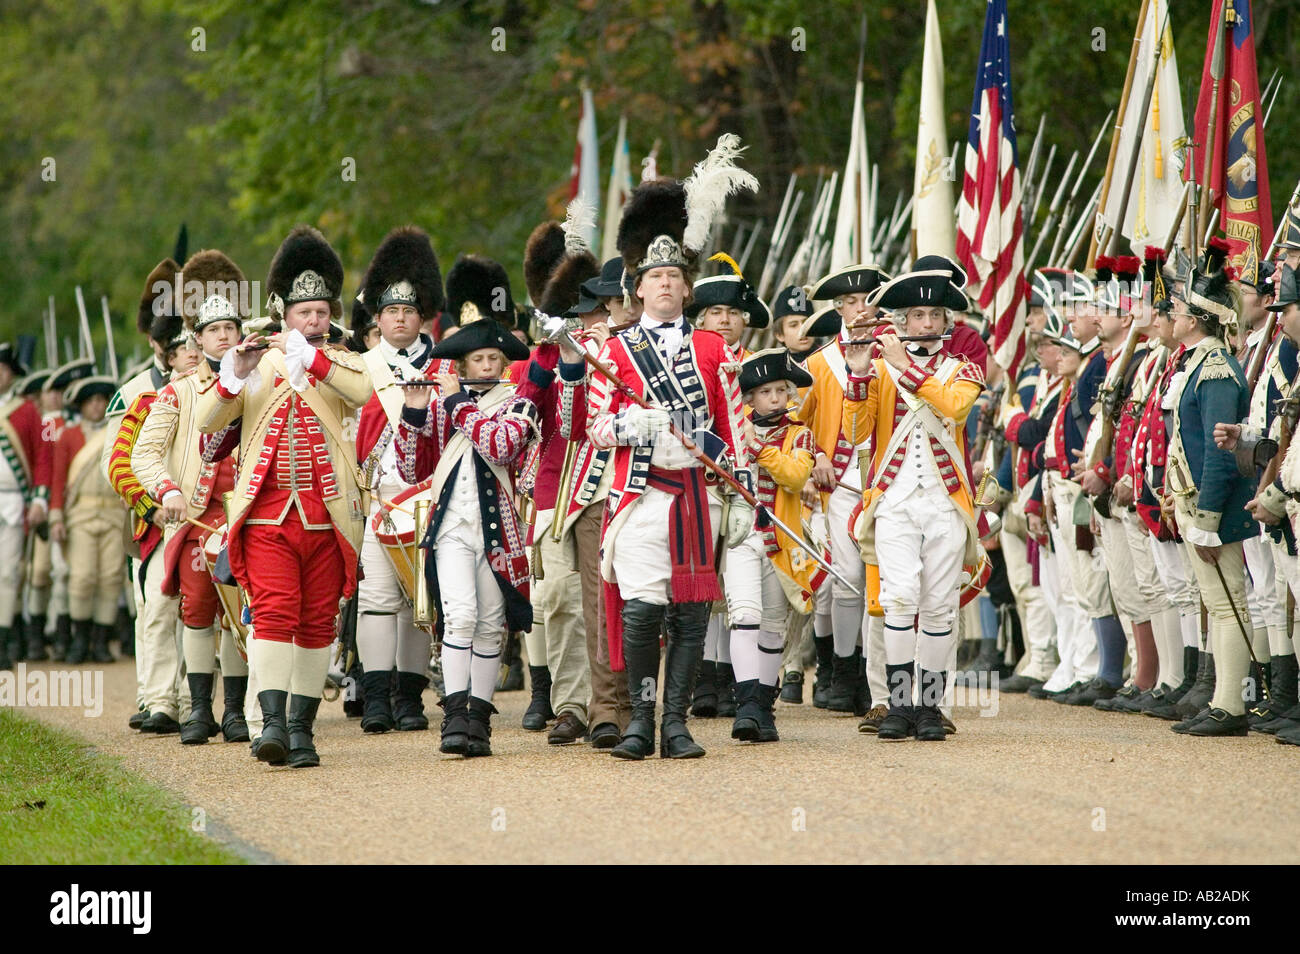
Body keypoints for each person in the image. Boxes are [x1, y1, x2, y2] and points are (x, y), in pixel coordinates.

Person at [589, 165, 755, 761]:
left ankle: (676, 724)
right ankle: (639, 719)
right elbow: (596, 428)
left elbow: (735, 432)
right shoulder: (614, 352)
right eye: (654, 276)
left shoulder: (715, 349)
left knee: (689, 616)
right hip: (639, 495)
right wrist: (631, 425)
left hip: (697, 496)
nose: (663, 285)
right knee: (641, 612)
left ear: (688, 289)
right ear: (638, 289)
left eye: (673, 277)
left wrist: (742, 498)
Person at [196, 225, 373, 768]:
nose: (315, 321)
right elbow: (208, 425)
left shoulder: (341, 360)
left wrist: (312, 356)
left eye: (322, 312)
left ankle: (301, 729)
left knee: (318, 619)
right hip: (268, 512)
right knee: (272, 612)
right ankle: (271, 723)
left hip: (327, 514)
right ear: (283, 314)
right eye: (304, 314)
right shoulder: (257, 361)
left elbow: (364, 392)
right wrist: (234, 377)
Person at [394, 279, 538, 759]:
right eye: (478, 361)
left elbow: (499, 445)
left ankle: (480, 719)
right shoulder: (439, 404)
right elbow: (413, 467)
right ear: (462, 365)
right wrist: (415, 412)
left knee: (491, 625)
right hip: (452, 525)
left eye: (494, 360)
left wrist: (456, 403)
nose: (488, 367)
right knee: (459, 616)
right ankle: (455, 716)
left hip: (499, 530)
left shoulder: (519, 405)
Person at [842, 264, 984, 741]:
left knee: (940, 606)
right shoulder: (879, 370)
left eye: (934, 315)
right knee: (899, 601)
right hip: (895, 500)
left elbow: (955, 406)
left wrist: (905, 367)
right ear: (901, 321)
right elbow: (856, 433)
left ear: (946, 321)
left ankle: (930, 707)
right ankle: (899, 704)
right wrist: (860, 377)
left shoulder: (963, 368)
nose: (926, 324)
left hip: (945, 502)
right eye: (917, 315)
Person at [131, 249, 249, 745]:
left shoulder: (263, 384)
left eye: (231, 328)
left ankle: (239, 713)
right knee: (197, 612)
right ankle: (199, 709)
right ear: (196, 340)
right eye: (214, 330)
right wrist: (169, 490)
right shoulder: (176, 392)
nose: (224, 336)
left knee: (240, 614)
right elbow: (143, 454)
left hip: (246, 518)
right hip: (196, 520)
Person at [352, 226, 446, 733]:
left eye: (410, 311)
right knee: (378, 601)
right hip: (379, 501)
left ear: (422, 316)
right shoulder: (359, 367)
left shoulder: (443, 365)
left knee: (420, 602)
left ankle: (410, 699)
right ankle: (375, 699)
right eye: (392, 312)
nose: (402, 318)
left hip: (430, 499)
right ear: (379, 319)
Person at [1164, 240, 1257, 737]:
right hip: (1199, 502)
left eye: (1179, 309)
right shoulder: (1200, 362)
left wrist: (1207, 519)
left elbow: (1219, 454)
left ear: (1198, 320)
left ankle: (1231, 706)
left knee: (1228, 604)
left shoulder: (1216, 368)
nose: (1173, 315)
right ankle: (1223, 701)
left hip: (1211, 505)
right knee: (1219, 604)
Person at [797, 263, 888, 715]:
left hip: (888, 482)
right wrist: (815, 456)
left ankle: (879, 677)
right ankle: (846, 672)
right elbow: (796, 421)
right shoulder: (818, 363)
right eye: (850, 303)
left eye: (866, 299)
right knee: (847, 580)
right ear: (838, 309)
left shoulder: (896, 353)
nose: (859, 310)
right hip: (841, 484)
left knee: (886, 582)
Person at [685, 256, 771, 717]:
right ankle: (704, 682)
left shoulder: (759, 368)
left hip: (747, 487)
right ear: (701, 319)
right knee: (701, 589)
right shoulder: (686, 364)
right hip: (695, 488)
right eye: (715, 313)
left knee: (741, 597)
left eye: (733, 314)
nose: (724, 320)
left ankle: (746, 696)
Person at [105, 299, 194, 733]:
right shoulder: (141, 398)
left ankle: (205, 702)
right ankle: (160, 700)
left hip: (210, 518)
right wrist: (150, 508)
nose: (194, 354)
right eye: (185, 348)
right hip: (157, 521)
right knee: (157, 606)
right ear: (167, 354)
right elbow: (118, 463)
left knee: (206, 615)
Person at [726, 348, 819, 742]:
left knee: (772, 629)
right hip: (740, 537)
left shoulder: (800, 434)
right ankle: (746, 704)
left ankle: (764, 708)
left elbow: (796, 476)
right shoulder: (730, 430)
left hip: (781, 543)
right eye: (766, 392)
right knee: (744, 615)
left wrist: (760, 450)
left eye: (782, 390)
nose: (776, 398)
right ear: (749, 399)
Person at [50, 373, 125, 665]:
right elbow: (58, 479)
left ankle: (101, 641)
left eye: (101, 401)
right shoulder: (68, 435)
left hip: (112, 513)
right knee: (81, 578)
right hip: (80, 513)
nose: (96, 406)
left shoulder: (117, 433)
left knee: (110, 577)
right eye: (90, 401)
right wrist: (56, 516)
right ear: (81, 406)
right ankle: (79, 639)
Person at [0, 342, 52, 671]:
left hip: (12, 500)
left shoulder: (26, 411)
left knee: (7, 573)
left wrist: (39, 500)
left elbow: (42, 459)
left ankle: (3, 641)